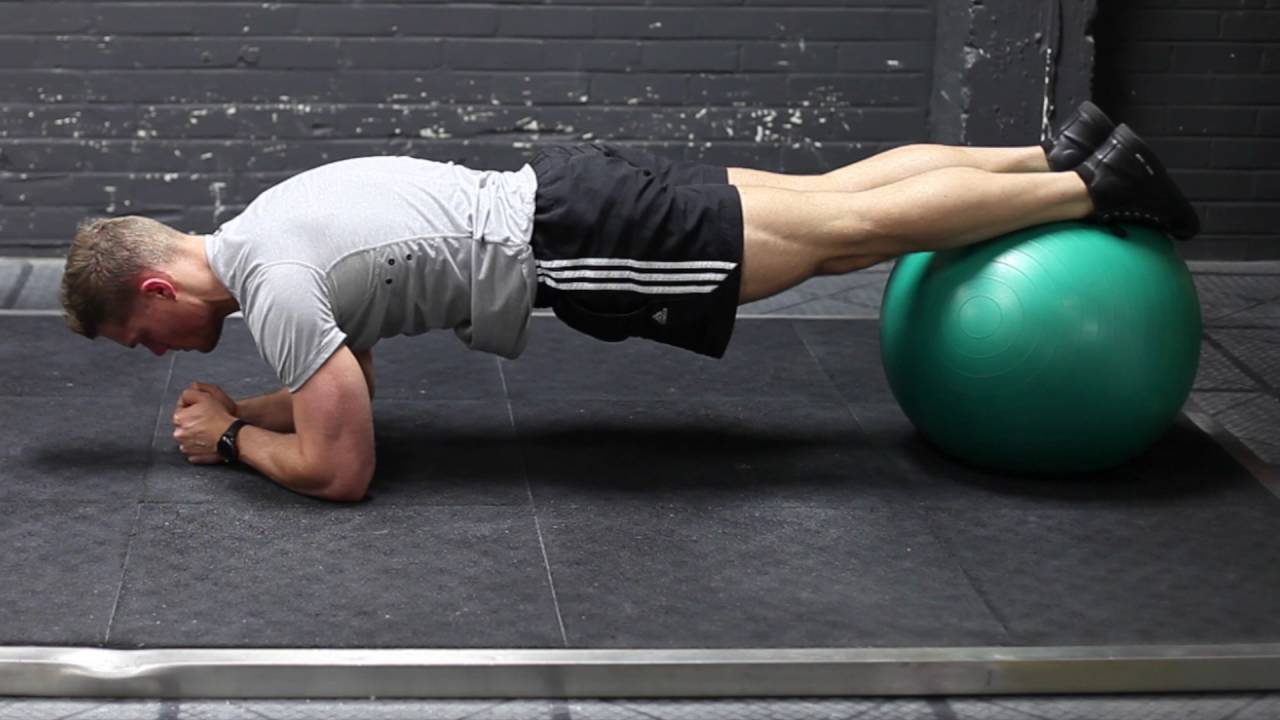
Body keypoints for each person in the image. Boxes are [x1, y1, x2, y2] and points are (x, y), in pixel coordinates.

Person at [58, 101, 1198, 503]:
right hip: (571, 194)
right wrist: (254, 411)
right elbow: (325, 383)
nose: (151, 352)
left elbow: (342, 465)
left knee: (845, 237)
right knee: (823, 198)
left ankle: (1086, 189)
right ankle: (1049, 150)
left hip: (580, 241)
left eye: (135, 336)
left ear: (156, 287)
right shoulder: (264, 226)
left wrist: (231, 442)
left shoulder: (274, 283)